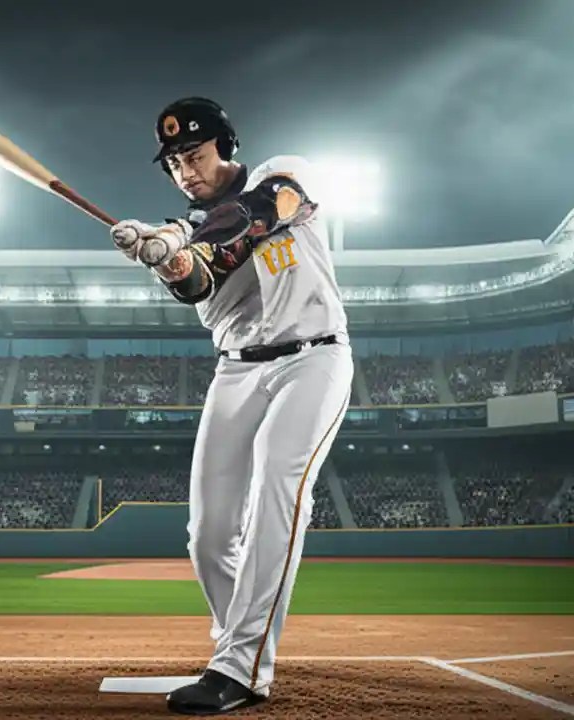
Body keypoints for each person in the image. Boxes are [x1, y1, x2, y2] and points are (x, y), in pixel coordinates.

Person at [110, 97, 354, 715]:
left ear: (227, 146)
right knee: (209, 534)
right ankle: (236, 646)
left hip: (313, 360)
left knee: (278, 489)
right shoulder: (186, 231)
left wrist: (179, 233)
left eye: (195, 155)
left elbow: (262, 213)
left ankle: (240, 667)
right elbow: (201, 280)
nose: (184, 171)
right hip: (237, 372)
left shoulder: (283, 172)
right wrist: (165, 260)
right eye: (173, 164)